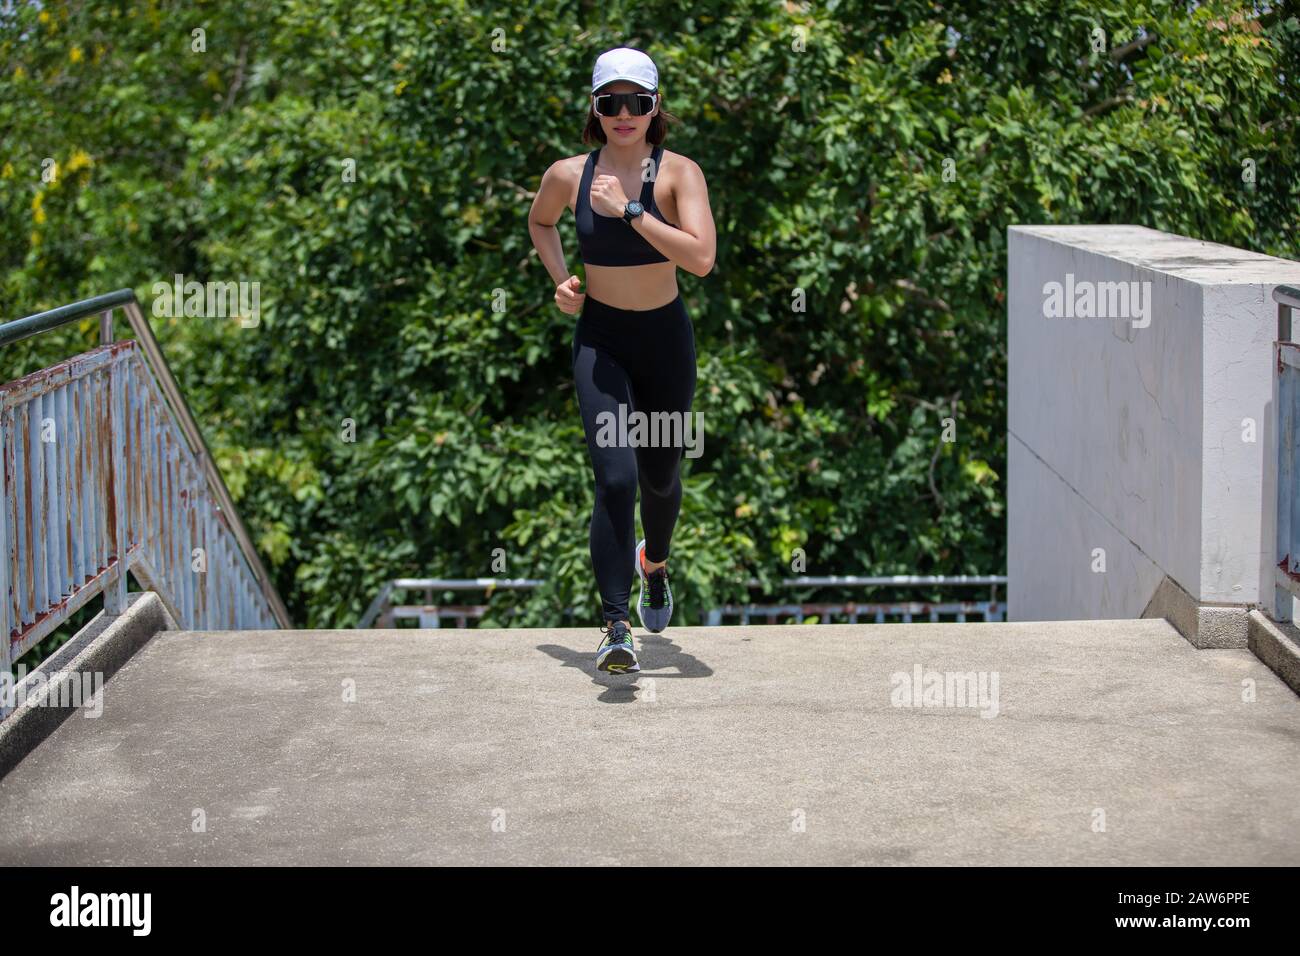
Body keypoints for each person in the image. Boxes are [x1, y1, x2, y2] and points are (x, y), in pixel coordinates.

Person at [527, 46, 716, 674]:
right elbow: (541, 223)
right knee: (615, 479)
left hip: (665, 342)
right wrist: (560, 280)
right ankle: (614, 624)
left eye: (637, 101)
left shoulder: (677, 174)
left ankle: (653, 565)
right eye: (612, 102)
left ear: (655, 106)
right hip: (601, 341)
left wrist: (630, 211)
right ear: (596, 107)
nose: (624, 113)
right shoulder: (568, 174)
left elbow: (700, 258)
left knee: (661, 477)